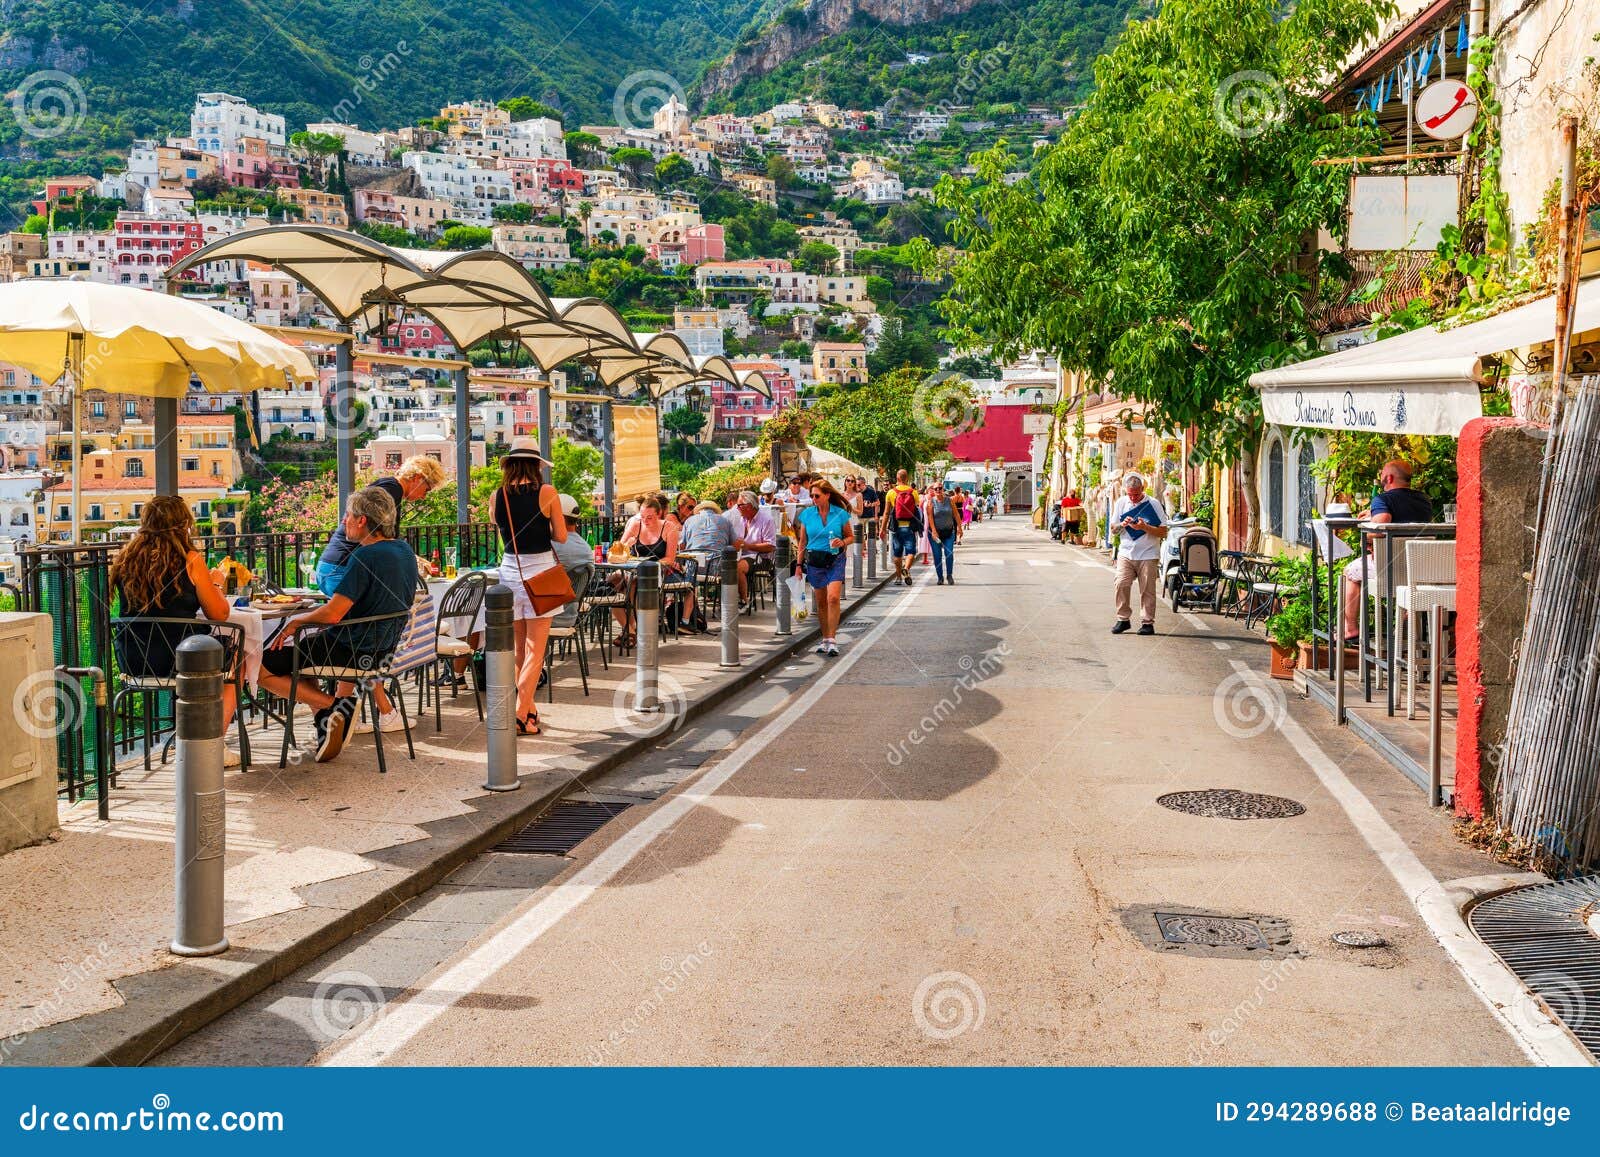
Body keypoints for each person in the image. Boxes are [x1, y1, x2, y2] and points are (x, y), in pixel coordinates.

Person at [262, 487, 419, 763]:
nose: (344, 521)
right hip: (381, 652)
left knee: (260, 665)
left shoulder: (364, 556)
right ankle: (326, 722)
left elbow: (334, 613)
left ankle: (333, 707)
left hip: (351, 650)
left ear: (362, 520)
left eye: (347, 515)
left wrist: (296, 620)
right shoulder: (404, 551)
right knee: (302, 651)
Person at [311, 454, 445, 732]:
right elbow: (380, 542)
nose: (424, 497)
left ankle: (346, 712)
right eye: (427, 489)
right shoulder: (391, 492)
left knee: (360, 639)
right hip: (341, 567)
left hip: (334, 565)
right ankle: (383, 711)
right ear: (418, 479)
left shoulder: (388, 488)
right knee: (368, 636)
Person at [109, 496, 244, 766]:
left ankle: (194, 740)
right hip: (181, 660)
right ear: (183, 524)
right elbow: (219, 614)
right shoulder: (190, 560)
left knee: (216, 654)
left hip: (135, 661)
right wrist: (216, 582)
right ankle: (212, 744)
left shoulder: (126, 558)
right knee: (237, 657)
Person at [492, 438, 570, 736]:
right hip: (540, 572)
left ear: (509, 465)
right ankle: (520, 713)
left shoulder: (496, 496)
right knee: (536, 649)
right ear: (537, 465)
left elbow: (503, 532)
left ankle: (529, 709)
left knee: (518, 649)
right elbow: (561, 536)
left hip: (509, 572)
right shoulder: (547, 492)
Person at [1341, 459, 1433, 643]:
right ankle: (1408, 617)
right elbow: (1403, 516)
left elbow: (1382, 521)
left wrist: (1369, 530)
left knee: (1350, 572)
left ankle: (1350, 629)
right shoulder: (1424, 500)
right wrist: (1374, 513)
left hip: (1389, 570)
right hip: (1419, 571)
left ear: (1389, 478)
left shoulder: (1383, 499)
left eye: (1382, 473)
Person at [611, 493, 679, 646]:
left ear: (659, 514)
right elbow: (618, 549)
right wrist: (627, 544)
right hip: (635, 568)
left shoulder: (669, 528)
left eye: (650, 517)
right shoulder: (636, 525)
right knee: (611, 583)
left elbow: (670, 558)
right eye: (642, 517)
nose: (646, 521)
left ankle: (636, 630)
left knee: (634, 583)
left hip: (657, 570)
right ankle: (630, 630)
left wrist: (649, 564)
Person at [796, 478, 854, 657]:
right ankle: (825, 638)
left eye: (817, 496)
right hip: (815, 561)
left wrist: (841, 541)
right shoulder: (806, 514)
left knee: (833, 598)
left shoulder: (840, 514)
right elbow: (802, 542)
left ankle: (832, 639)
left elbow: (851, 537)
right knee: (821, 602)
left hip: (835, 559)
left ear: (827, 495)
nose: (814, 499)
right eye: (812, 496)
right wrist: (798, 565)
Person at [1110, 473, 1168, 635]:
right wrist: (1122, 524)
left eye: (1136, 494)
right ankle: (1123, 619)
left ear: (1142, 489)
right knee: (1121, 583)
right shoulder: (1121, 502)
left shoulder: (1154, 504)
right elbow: (1114, 530)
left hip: (1148, 553)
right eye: (1130, 494)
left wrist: (1145, 527)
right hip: (1126, 552)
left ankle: (1147, 622)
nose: (1133, 498)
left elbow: (1163, 532)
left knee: (1147, 589)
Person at [678, 498, 733, 631]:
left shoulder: (689, 521)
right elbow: (733, 544)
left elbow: (682, 545)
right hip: (716, 569)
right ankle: (727, 617)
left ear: (699, 511)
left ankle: (685, 620)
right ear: (715, 511)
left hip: (694, 568)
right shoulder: (725, 521)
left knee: (690, 583)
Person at [550, 492, 596, 635]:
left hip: (548, 617)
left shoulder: (552, 545)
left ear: (559, 518)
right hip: (570, 616)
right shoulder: (585, 546)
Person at [725, 490, 777, 611]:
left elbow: (771, 546)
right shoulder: (740, 519)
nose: (736, 508)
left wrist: (747, 546)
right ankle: (728, 600)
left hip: (761, 558)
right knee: (724, 564)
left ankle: (743, 600)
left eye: (739, 505)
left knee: (737, 567)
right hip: (741, 555)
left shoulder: (766, 519)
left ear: (749, 506)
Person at [881, 469, 921, 586]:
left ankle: (898, 578)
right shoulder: (913, 492)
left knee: (897, 554)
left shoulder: (891, 493)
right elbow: (916, 510)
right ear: (907, 478)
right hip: (909, 527)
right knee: (911, 551)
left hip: (896, 527)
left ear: (897, 479)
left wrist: (883, 529)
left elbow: (886, 513)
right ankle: (907, 568)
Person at [925, 481, 961, 585]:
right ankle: (940, 577)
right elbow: (930, 517)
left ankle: (949, 575)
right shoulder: (930, 502)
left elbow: (956, 514)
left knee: (949, 553)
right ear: (933, 490)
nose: (938, 490)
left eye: (940, 488)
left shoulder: (950, 500)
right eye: (935, 489)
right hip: (935, 533)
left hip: (948, 532)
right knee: (937, 556)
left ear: (943, 489)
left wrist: (960, 528)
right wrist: (934, 531)